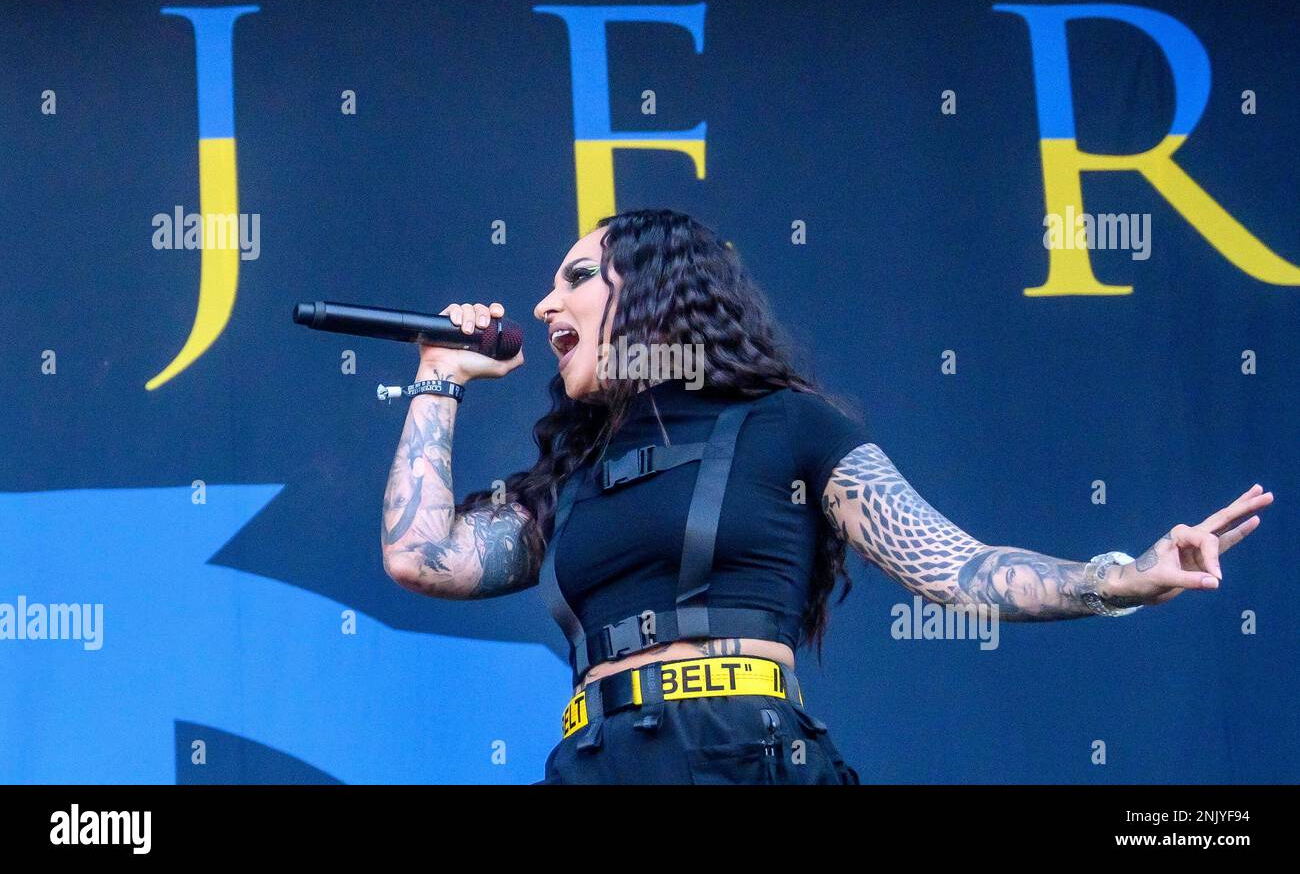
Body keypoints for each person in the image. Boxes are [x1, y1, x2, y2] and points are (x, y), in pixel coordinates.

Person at [379, 208, 1274, 785]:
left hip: (740, 750)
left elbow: (952, 568)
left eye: (575, 277)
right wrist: (439, 376)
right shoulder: (572, 475)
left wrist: (1123, 576)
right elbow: (420, 556)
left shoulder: (788, 427)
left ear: (654, 294)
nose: (542, 304)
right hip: (592, 762)